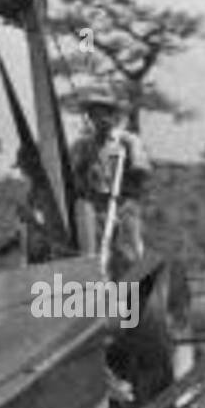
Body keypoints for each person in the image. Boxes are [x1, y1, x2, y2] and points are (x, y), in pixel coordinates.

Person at [70, 83, 151, 273]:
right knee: (93, 256)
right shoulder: (82, 145)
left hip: (123, 204)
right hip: (95, 205)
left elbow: (143, 170)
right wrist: (80, 169)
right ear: (90, 117)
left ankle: (138, 289)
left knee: (131, 254)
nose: (102, 118)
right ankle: (95, 288)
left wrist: (136, 161)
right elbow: (73, 178)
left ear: (114, 115)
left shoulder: (128, 141)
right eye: (96, 113)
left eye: (106, 112)